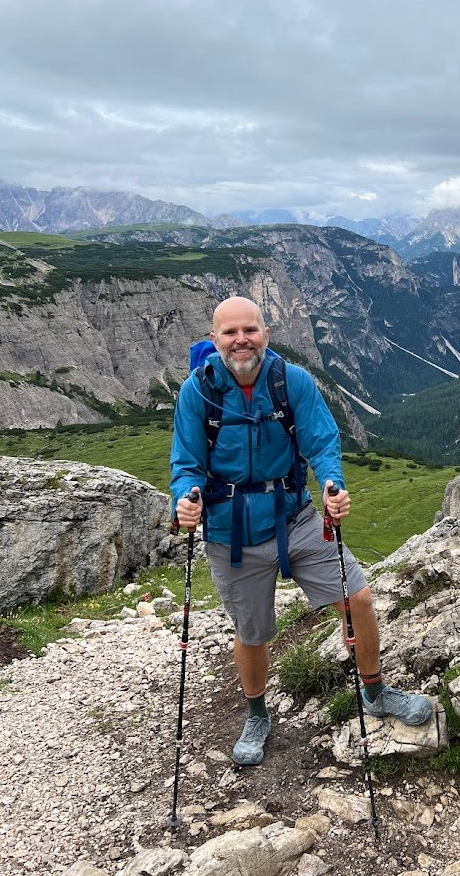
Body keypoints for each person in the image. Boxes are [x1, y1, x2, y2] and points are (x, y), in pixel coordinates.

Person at [170, 296, 432, 765]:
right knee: (252, 632)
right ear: (215, 340)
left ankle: (375, 692)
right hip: (232, 534)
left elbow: (322, 441)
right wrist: (185, 498)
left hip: (296, 518)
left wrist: (333, 484)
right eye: (230, 333)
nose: (241, 340)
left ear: (266, 334)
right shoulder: (198, 391)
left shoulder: (291, 382)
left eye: (250, 330)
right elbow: (187, 462)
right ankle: (257, 715)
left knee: (360, 599)